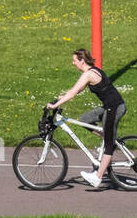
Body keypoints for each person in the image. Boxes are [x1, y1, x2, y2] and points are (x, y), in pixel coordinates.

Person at [45, 48, 125, 189]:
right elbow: (77, 89)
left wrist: (56, 105)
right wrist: (60, 97)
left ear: (82, 60)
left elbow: (73, 93)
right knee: (84, 120)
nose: (73, 63)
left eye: (75, 60)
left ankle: (97, 177)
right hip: (109, 106)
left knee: (108, 145)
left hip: (115, 107)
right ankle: (108, 138)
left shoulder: (89, 74)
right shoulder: (92, 72)